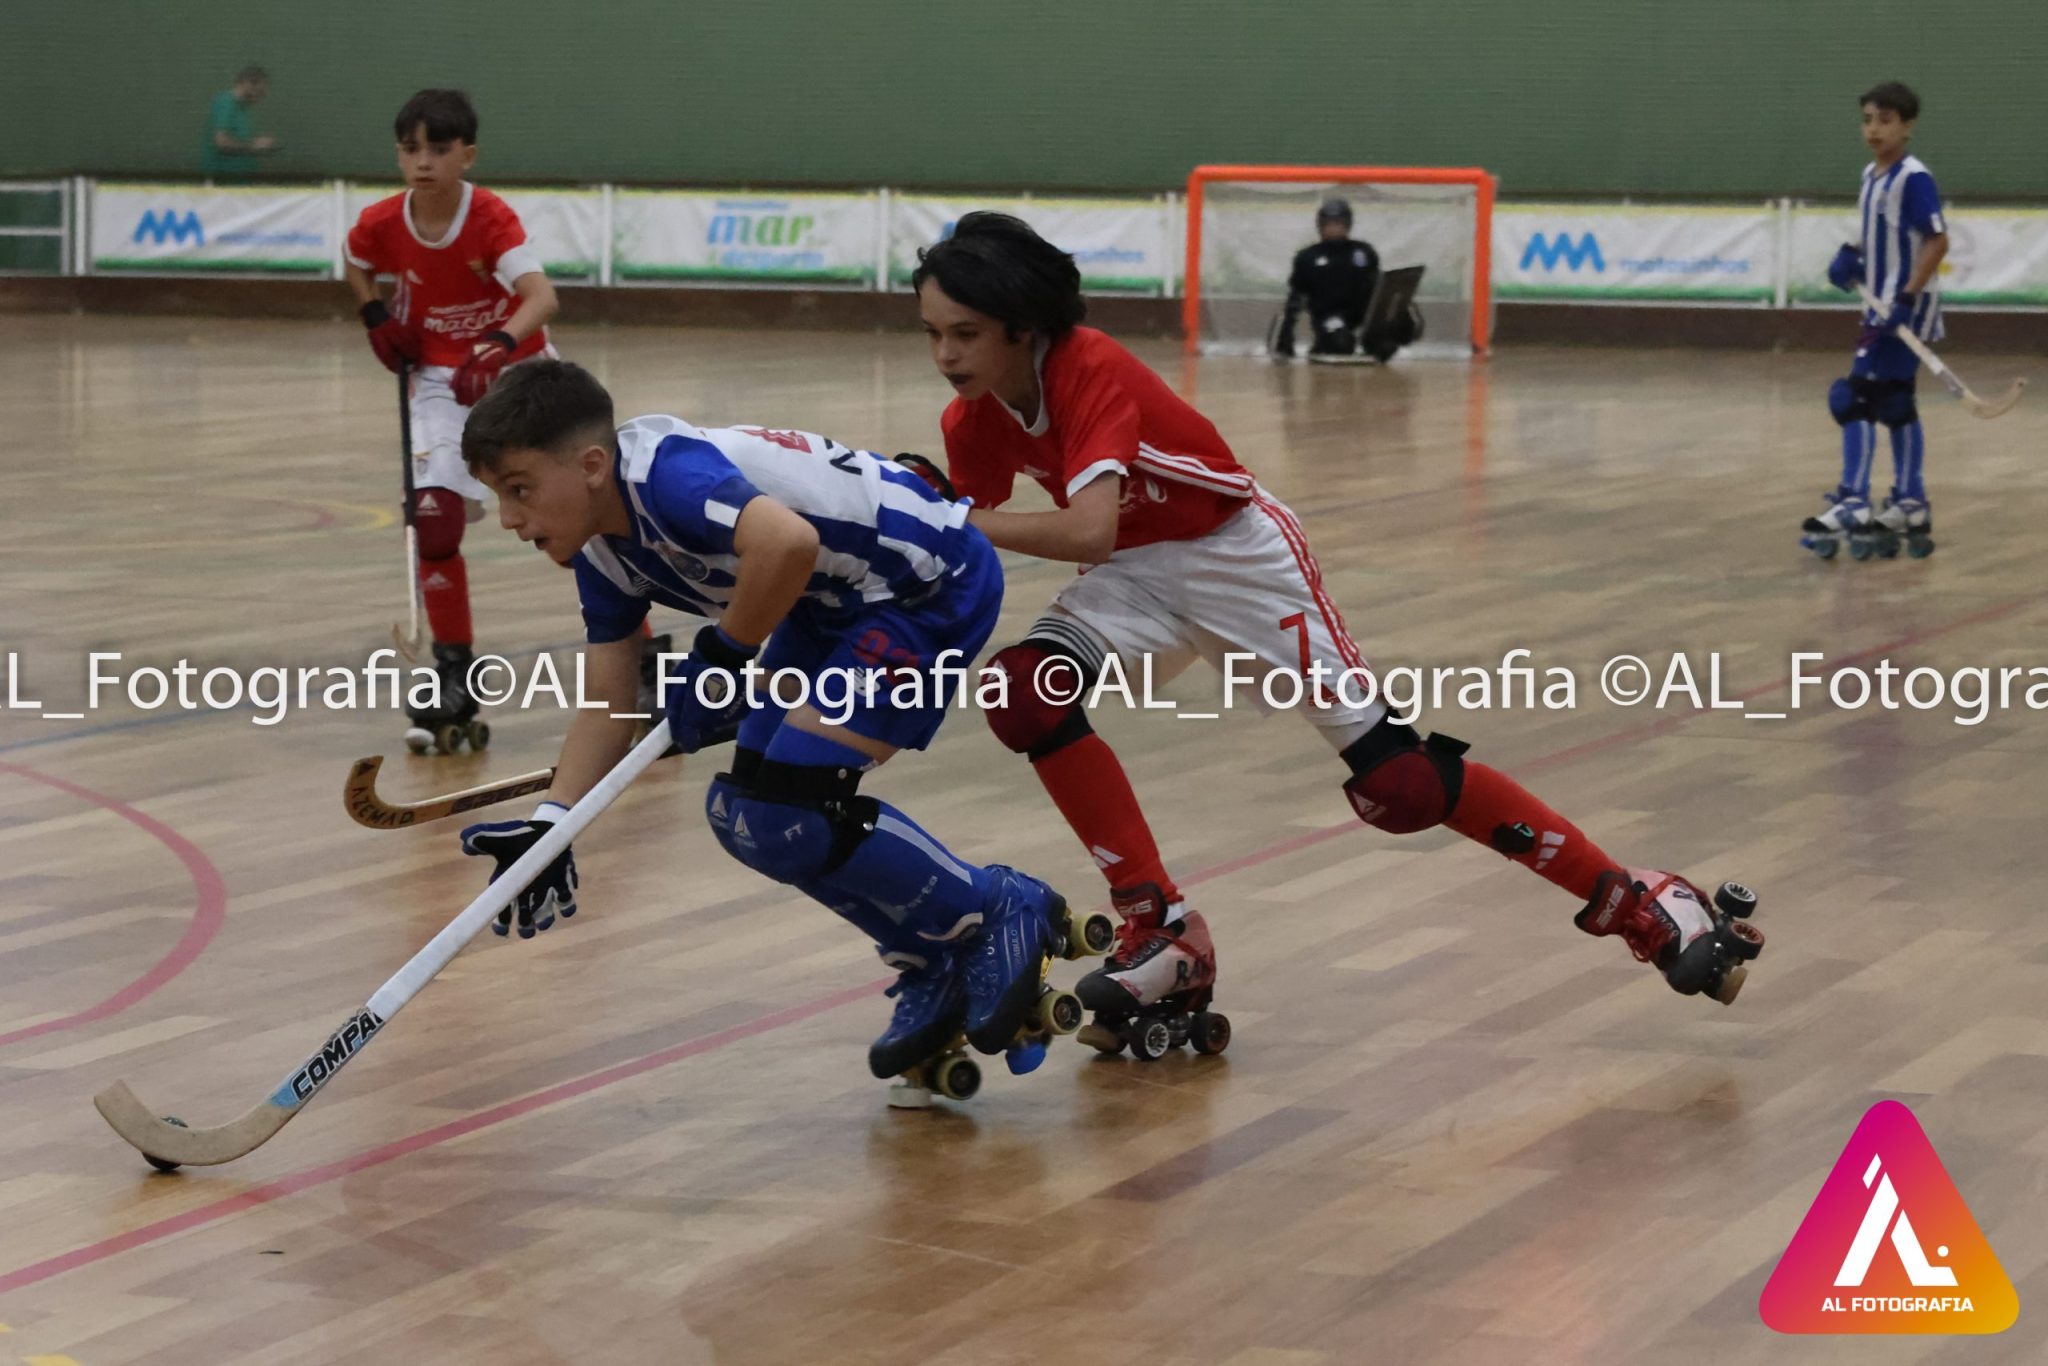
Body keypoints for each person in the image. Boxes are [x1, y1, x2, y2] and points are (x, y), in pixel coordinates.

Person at [909, 212, 1765, 1055]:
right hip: (1137, 574)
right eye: (935, 333)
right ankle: (1162, 931)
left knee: (1402, 786)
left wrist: (948, 515)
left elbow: (1076, 528)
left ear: (1025, 329)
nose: (946, 355)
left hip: (1236, 557)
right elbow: (968, 541)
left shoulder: (1090, 367)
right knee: (1023, 695)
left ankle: (1639, 901)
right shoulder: (973, 416)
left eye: (966, 333)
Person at [454, 359, 1102, 1103]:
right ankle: (932, 955)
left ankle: (996, 907)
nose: (509, 518)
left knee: (793, 797)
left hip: (924, 584)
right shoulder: (602, 551)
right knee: (752, 819)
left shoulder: (669, 479)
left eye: (519, 489)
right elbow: (609, 702)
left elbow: (786, 544)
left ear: (593, 465)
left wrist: (725, 656)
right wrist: (553, 824)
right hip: (828, 604)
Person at [343, 89, 561, 753]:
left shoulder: (487, 216)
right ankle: (454, 673)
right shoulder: (382, 221)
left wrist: (497, 341)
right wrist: (374, 314)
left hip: (517, 370)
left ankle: (642, 661)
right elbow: (356, 264)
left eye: (439, 149)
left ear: (467, 154)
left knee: (580, 519)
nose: (423, 161)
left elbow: (542, 296)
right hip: (438, 377)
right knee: (434, 519)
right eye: (411, 149)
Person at [1803, 81, 1947, 562]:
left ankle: (1853, 501)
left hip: (1900, 309)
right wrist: (1853, 257)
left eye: (1885, 120)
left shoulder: (1913, 178)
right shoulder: (1871, 175)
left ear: (1907, 127)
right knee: (1896, 402)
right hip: (1880, 304)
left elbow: (1935, 241)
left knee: (1854, 397)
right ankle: (1909, 501)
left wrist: (1906, 296)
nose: (1873, 129)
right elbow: (1879, 236)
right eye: (1867, 119)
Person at [1271, 198, 1379, 359]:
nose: (1334, 227)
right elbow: (1296, 297)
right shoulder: (1308, 257)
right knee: (1340, 343)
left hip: (1362, 314)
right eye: (1329, 223)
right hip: (1329, 317)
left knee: (1388, 341)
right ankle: (1322, 344)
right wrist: (1286, 335)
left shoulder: (1363, 252)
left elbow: (1378, 286)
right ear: (1320, 225)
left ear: (1348, 224)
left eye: (1339, 222)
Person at [200, 66, 279, 180]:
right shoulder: (226, 102)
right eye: (260, 92)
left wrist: (258, 144)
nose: (261, 97)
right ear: (248, 84)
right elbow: (222, 143)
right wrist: (254, 146)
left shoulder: (241, 109)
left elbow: (237, 142)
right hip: (224, 185)